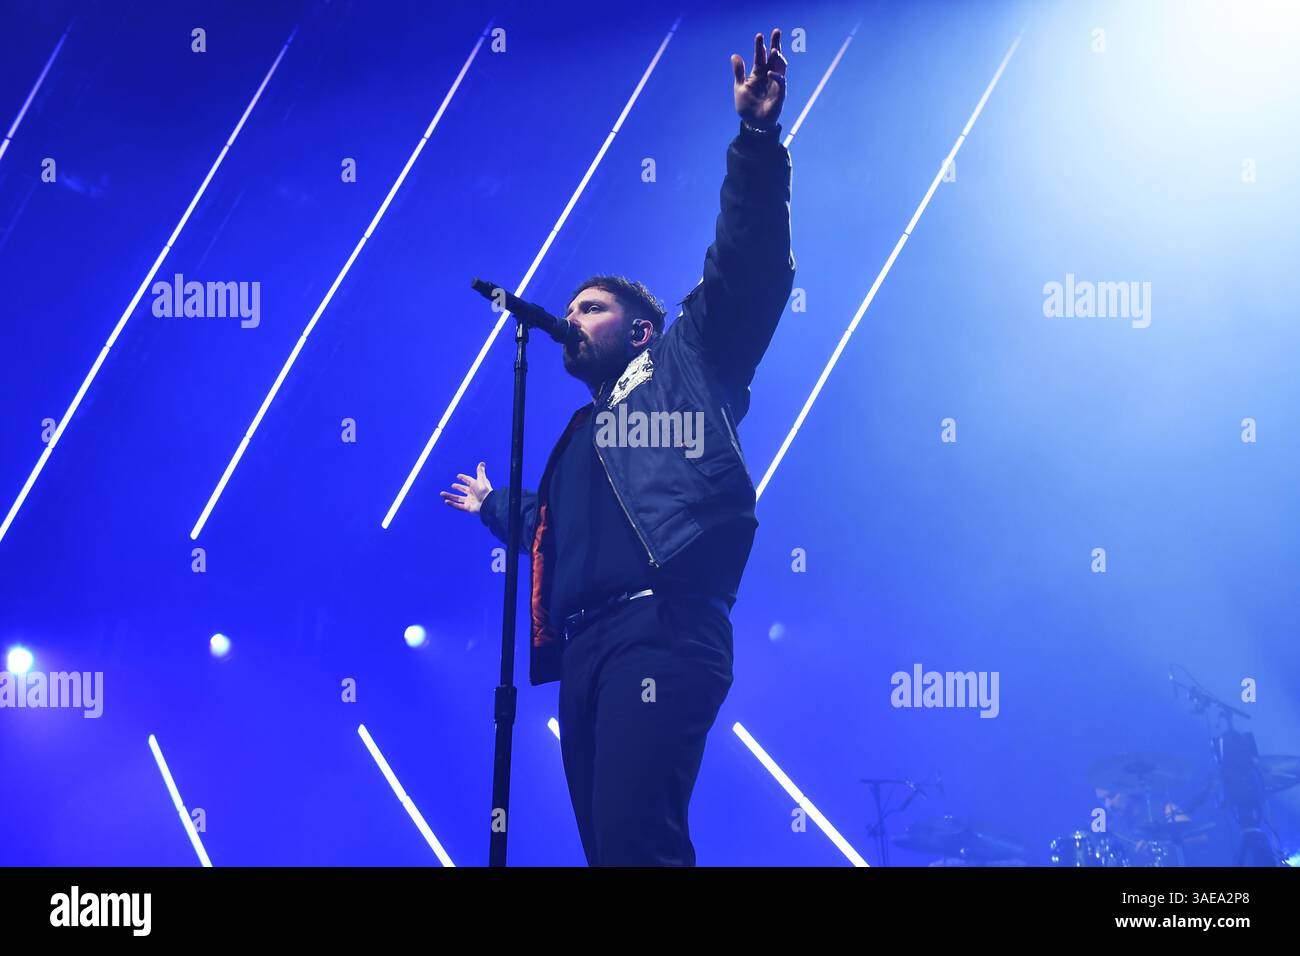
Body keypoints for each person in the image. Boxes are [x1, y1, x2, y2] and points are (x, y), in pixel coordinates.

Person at [442, 28, 795, 865]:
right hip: (588, 648)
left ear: (639, 326)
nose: (572, 318)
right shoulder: (580, 436)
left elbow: (749, 268)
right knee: (609, 851)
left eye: (590, 307)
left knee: (639, 843)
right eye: (570, 308)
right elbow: (553, 522)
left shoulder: (685, 359)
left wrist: (755, 141)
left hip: (663, 628)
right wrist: (496, 504)